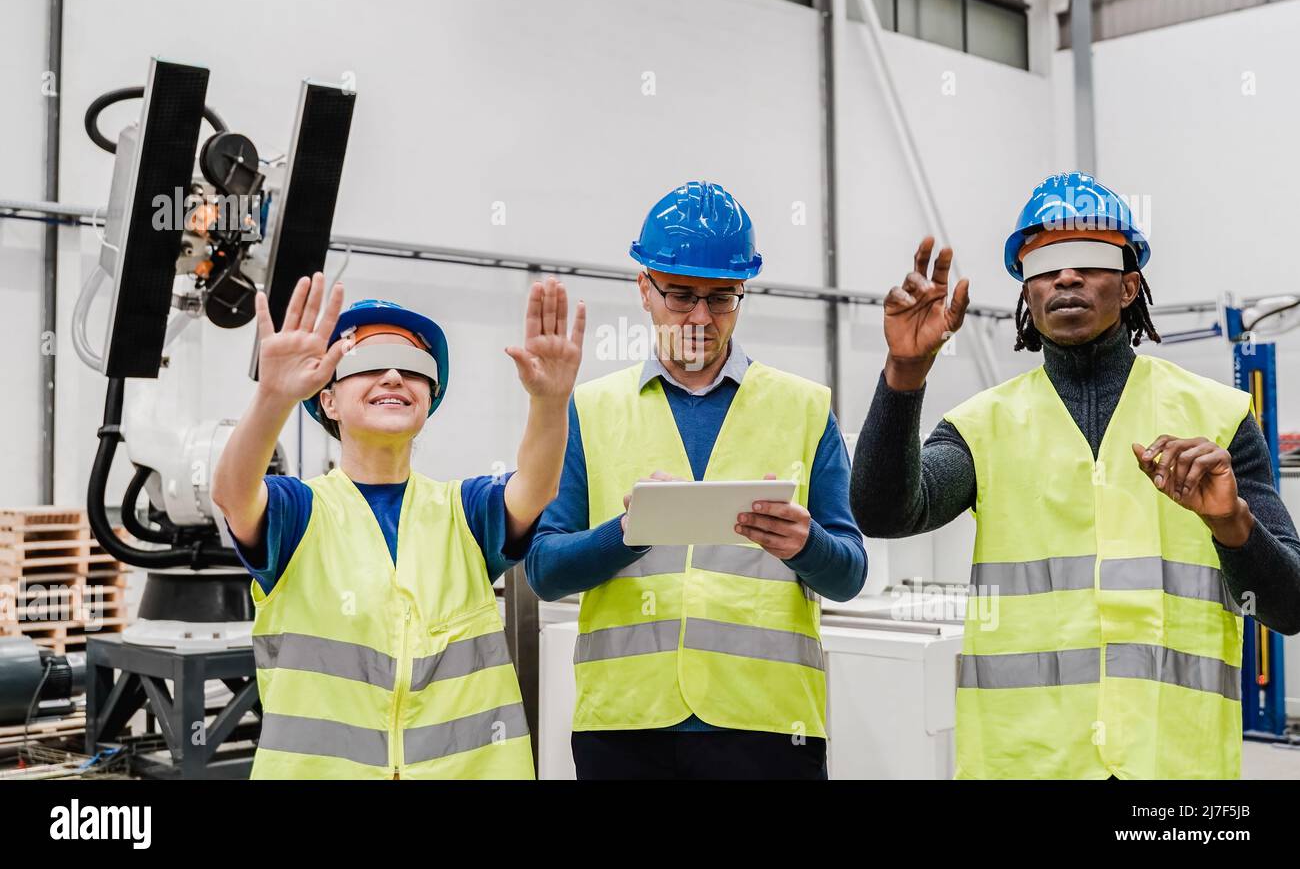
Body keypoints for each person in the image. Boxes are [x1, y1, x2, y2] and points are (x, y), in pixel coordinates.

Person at [850, 171, 1300, 779]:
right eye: (1045, 262)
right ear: (1028, 292)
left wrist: (1232, 525)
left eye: (1088, 259)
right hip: (1026, 763)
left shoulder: (1217, 421)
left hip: (1171, 769)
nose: (1066, 275)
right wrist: (904, 374)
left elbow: (1289, 606)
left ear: (1129, 283)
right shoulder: (984, 426)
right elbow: (882, 514)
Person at [527, 181, 867, 779]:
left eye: (722, 298)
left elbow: (849, 576)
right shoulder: (588, 410)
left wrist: (807, 546)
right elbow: (545, 572)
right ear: (645, 289)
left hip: (768, 727)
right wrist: (627, 531)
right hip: (626, 729)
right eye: (681, 295)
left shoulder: (806, 408)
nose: (701, 318)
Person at [212, 271, 584, 778]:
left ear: (428, 398)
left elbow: (536, 487)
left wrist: (550, 400)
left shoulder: (466, 512)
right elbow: (232, 493)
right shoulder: (298, 513)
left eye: (412, 367)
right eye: (365, 364)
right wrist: (272, 399)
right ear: (327, 398)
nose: (392, 378)